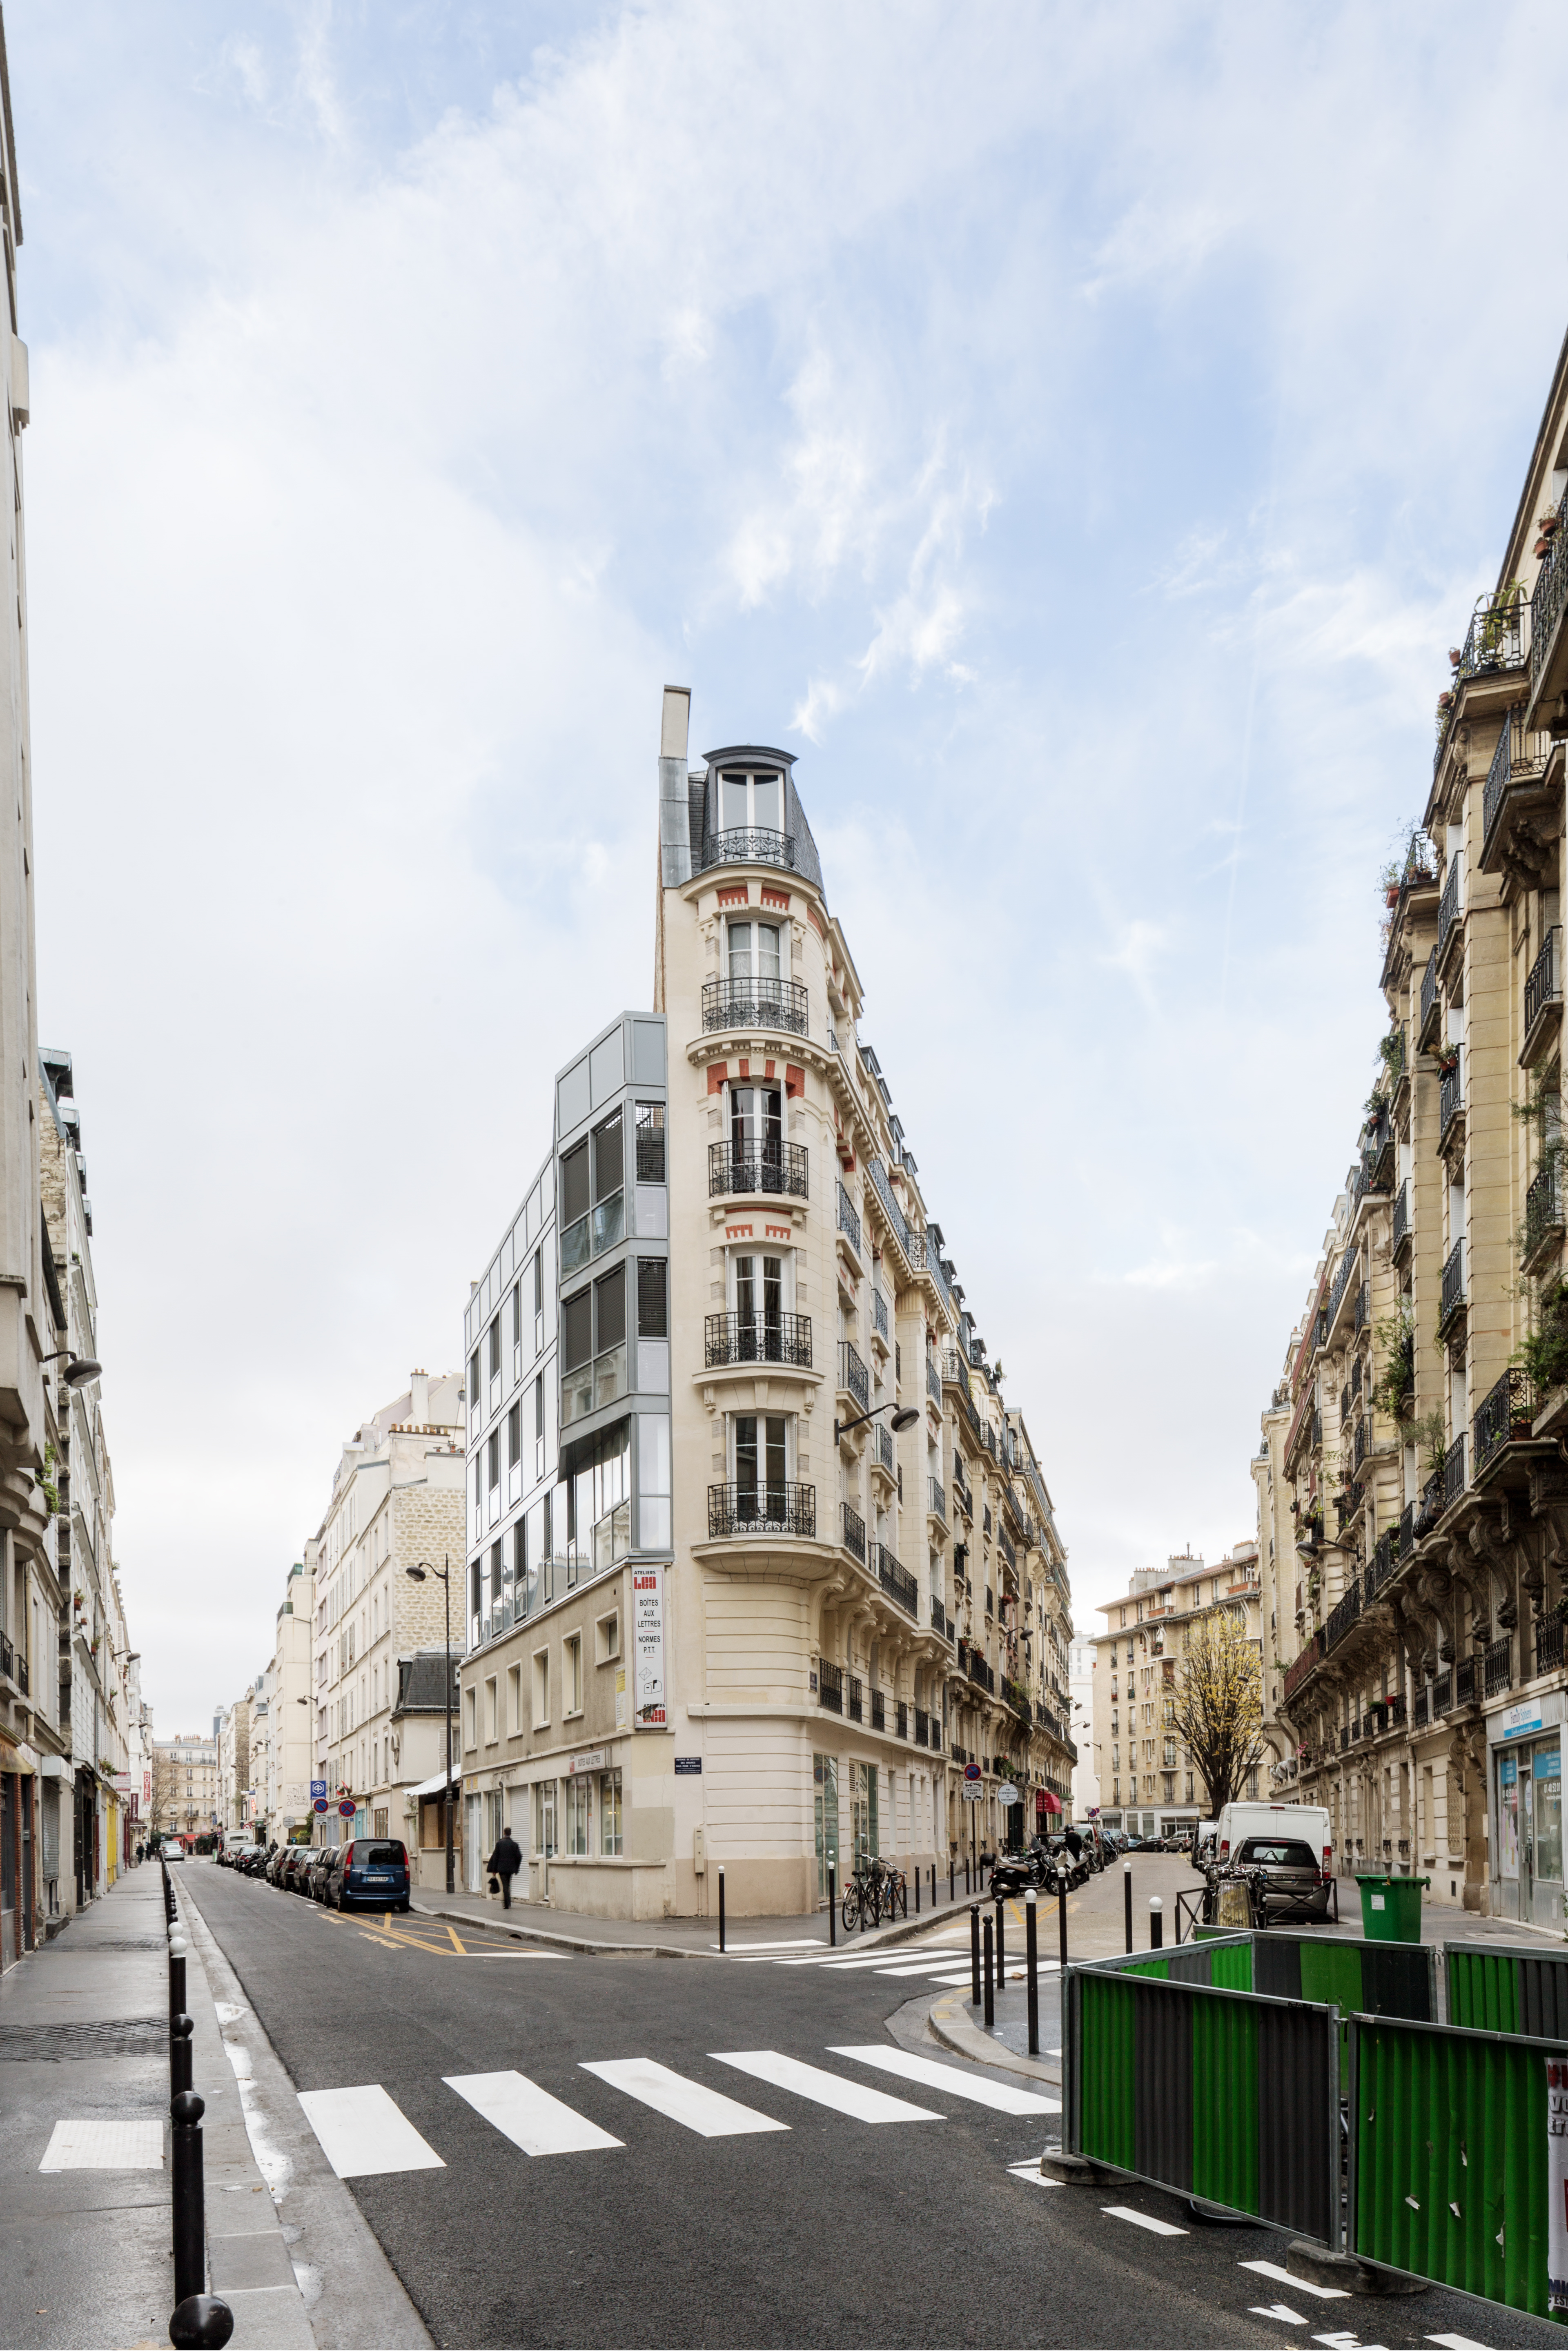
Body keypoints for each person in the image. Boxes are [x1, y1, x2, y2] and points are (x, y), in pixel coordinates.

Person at [487, 1824, 523, 1909]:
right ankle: (508, 1902)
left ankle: (507, 1904)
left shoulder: (500, 1844)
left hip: (502, 1869)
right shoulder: (514, 1845)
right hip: (511, 1869)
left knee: (505, 1885)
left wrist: (494, 1869)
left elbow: (496, 1857)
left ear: (504, 1833)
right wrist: (516, 1868)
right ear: (510, 1834)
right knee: (508, 1884)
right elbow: (519, 1857)